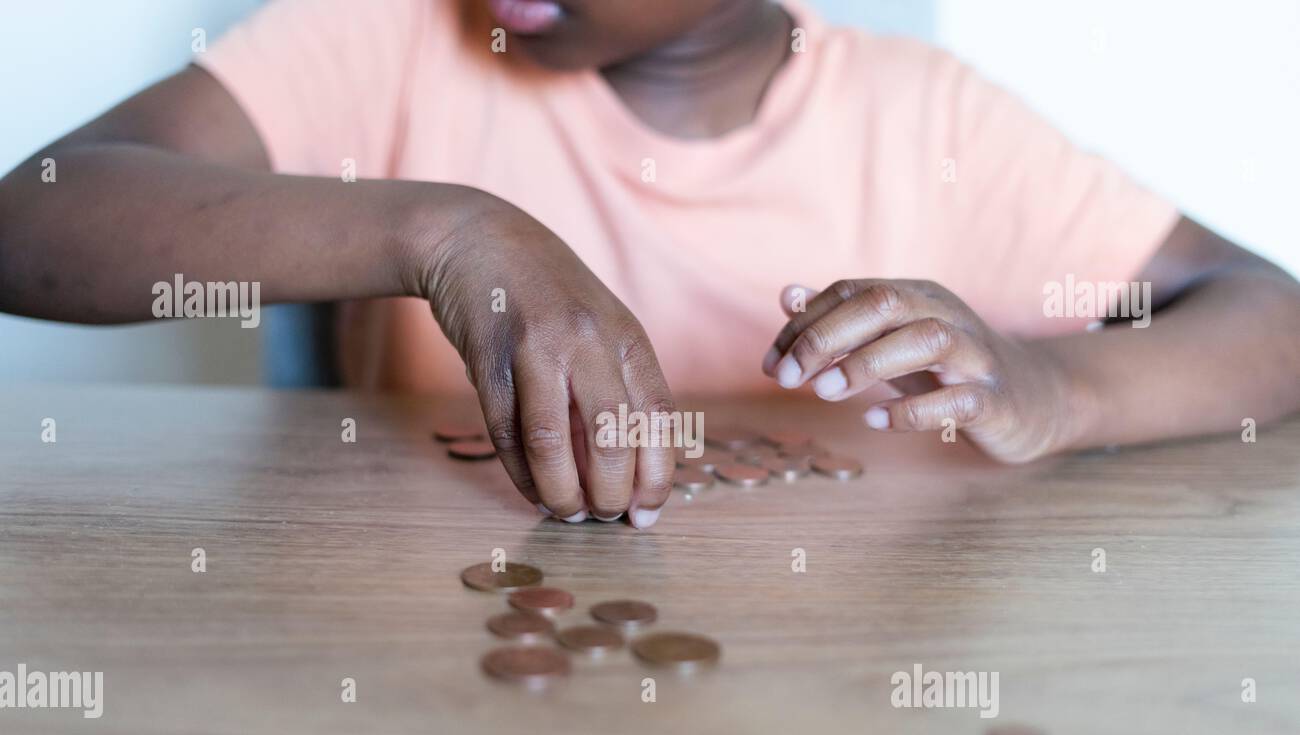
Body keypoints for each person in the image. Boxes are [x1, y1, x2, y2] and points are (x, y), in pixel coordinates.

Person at [2, 0, 1297, 530]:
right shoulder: (392, 35)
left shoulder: (935, 122)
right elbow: (34, 220)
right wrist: (446, 230)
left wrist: (1054, 387)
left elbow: (1271, 315)